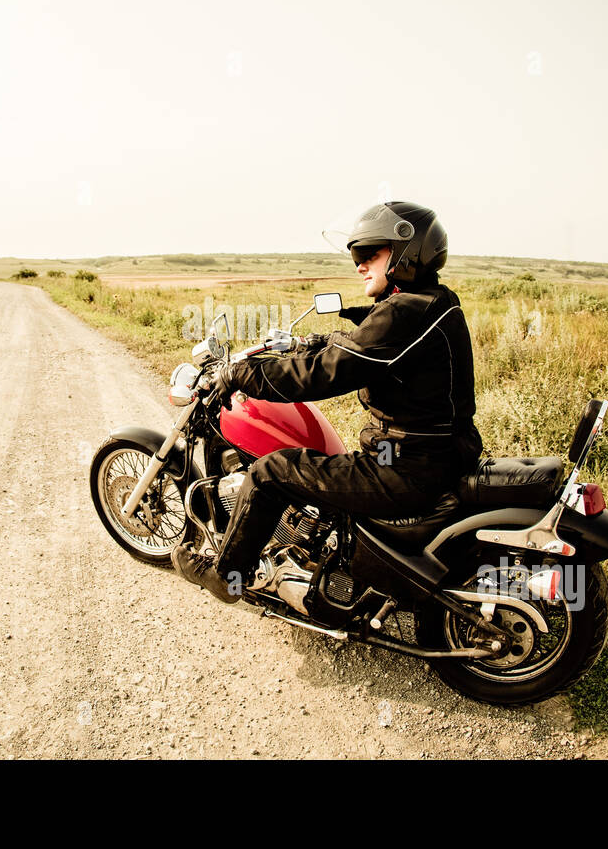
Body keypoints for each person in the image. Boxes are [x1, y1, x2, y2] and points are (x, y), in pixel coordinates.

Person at [171, 201, 483, 604]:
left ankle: (226, 575)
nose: (359, 264)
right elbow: (366, 345)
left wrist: (240, 374)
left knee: (271, 472)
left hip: (406, 468)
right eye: (357, 255)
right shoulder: (433, 300)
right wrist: (314, 342)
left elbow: (322, 375)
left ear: (407, 252)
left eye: (371, 253)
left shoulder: (404, 312)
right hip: (441, 454)